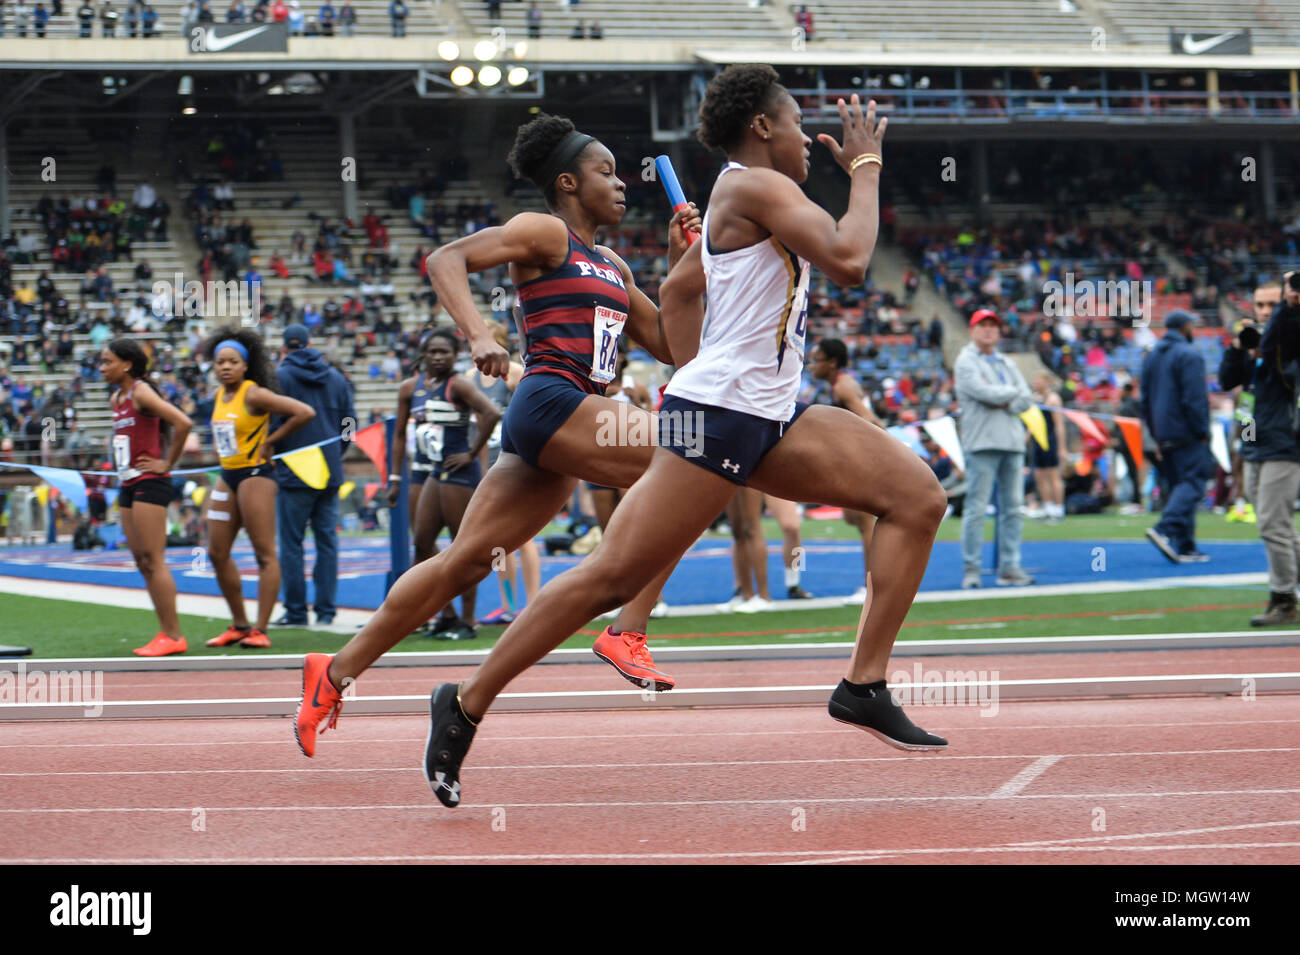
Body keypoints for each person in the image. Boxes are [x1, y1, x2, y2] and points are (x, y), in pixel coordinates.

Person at [414, 68, 950, 807]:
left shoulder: (746, 200)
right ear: (761, 127)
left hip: (768, 410)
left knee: (917, 498)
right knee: (607, 579)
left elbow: (674, 296)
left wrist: (702, 303)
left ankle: (863, 683)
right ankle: (466, 703)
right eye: (796, 124)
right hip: (721, 420)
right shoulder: (752, 186)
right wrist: (864, 168)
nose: (806, 139)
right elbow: (852, 259)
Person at [294, 112, 701, 758]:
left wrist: (685, 272)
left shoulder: (616, 266)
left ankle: (333, 672)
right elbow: (445, 258)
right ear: (567, 182)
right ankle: (629, 628)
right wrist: (479, 335)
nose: (623, 184)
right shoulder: (545, 232)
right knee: (697, 453)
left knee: (462, 564)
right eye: (607, 172)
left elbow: (685, 348)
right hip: (551, 401)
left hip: (570, 426)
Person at [201, 328, 316, 649]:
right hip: (228, 474)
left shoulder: (252, 393)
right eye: (220, 362)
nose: (225, 367)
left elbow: (303, 412)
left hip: (255, 475)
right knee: (217, 552)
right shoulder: (217, 396)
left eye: (232, 362)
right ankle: (239, 624)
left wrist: (270, 443)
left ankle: (260, 629)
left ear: (245, 366)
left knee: (264, 553)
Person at [391, 328, 501, 639]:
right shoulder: (412, 388)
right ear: (423, 354)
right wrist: (395, 477)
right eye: (433, 352)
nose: (439, 357)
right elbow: (399, 434)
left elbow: (491, 413)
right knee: (422, 542)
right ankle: (446, 614)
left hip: (458, 474)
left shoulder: (459, 385)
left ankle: (467, 621)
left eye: (445, 352)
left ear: (455, 355)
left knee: (462, 548)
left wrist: (471, 453)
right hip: (432, 472)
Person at [101, 339, 194, 657]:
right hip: (128, 483)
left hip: (151, 482)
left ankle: (173, 634)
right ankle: (164, 631)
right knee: (142, 561)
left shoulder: (141, 391)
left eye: (107, 362)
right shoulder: (117, 398)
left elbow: (183, 422)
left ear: (126, 364)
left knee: (154, 560)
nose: (102, 368)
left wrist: (167, 463)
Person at [1220, 277, 1300, 623]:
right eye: (1260, 305)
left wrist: (1281, 317)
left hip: (1285, 441)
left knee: (1270, 522)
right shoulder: (1255, 342)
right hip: (1255, 440)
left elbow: (1279, 359)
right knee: (1278, 524)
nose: (1266, 311)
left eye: (1272, 304)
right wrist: (1239, 348)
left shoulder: (1290, 337)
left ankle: (1284, 600)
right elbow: (1227, 382)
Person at [271, 324, 356, 628]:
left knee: (292, 543)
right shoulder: (336, 378)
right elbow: (350, 423)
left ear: (284, 348)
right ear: (309, 344)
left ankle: (295, 611)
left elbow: (271, 422)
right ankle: (326, 611)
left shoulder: (279, 377)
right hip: (330, 469)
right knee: (327, 542)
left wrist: (276, 451)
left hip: (294, 469)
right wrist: (336, 453)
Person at [954, 308, 1036, 589]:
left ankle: (1010, 566)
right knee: (976, 509)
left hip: (1011, 442)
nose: (989, 330)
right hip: (982, 442)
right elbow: (982, 392)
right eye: (983, 325)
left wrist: (1004, 397)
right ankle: (972, 568)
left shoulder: (1005, 362)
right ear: (972, 330)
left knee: (1013, 508)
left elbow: (1027, 397)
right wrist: (1012, 394)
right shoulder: (965, 360)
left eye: (993, 325)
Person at [808, 336, 883, 602]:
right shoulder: (837, 384)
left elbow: (870, 420)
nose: (810, 366)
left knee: (865, 526)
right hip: (852, 461)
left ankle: (871, 589)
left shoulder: (843, 388)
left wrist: (886, 450)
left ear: (832, 362)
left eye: (815, 360)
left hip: (861, 462)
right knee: (853, 519)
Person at [1141, 309, 1212, 564]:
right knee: (1193, 482)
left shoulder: (1151, 358)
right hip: (1187, 431)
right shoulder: (1189, 354)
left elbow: (1145, 401)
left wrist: (1155, 433)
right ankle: (1164, 529)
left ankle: (1185, 546)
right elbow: (1195, 399)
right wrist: (1202, 430)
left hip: (1163, 433)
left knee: (1179, 486)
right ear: (1185, 327)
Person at [1029, 371, 1066, 524]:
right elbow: (1034, 422)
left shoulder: (1053, 399)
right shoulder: (1035, 398)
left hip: (1050, 440)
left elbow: (1059, 425)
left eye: (1038, 381)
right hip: (1038, 441)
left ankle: (1058, 509)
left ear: (1046, 381)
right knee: (1039, 476)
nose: (1036, 383)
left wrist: (1062, 447)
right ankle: (1048, 507)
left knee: (1053, 475)